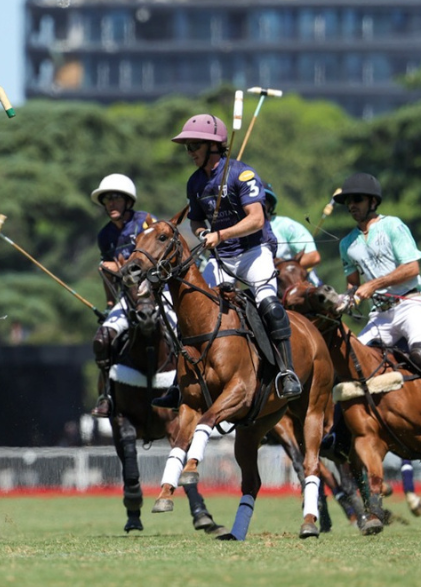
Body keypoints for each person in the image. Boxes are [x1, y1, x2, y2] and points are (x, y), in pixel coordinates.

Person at [154, 113, 301, 406]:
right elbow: (195, 221)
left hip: (253, 252)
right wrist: (203, 232)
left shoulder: (242, 174)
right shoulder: (195, 183)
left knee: (269, 305)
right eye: (188, 147)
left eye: (195, 145)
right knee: (189, 309)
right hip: (222, 258)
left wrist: (220, 235)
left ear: (214, 146)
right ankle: (178, 383)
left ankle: (286, 371)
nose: (190, 152)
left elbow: (257, 219)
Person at [332, 172, 421, 443]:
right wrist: (345, 299)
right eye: (348, 201)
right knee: (348, 364)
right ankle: (338, 435)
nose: (351, 205)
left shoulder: (393, 226)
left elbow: (412, 267)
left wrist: (374, 285)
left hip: (409, 304)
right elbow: (353, 285)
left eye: (357, 199)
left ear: (373, 201)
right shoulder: (346, 244)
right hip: (381, 315)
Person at [88, 173, 174, 419]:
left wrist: (120, 267)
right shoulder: (105, 236)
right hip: (129, 298)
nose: (111, 204)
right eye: (107, 200)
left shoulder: (145, 223)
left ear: (128, 201)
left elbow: (160, 255)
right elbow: (109, 271)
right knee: (102, 340)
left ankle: (187, 388)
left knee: (182, 335)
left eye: (116, 198)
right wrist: (109, 303)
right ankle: (107, 396)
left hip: (160, 293)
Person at [264, 184, 322, 286]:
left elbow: (313, 257)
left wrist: (283, 269)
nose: (257, 205)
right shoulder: (239, 232)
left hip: (303, 289)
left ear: (270, 205)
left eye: (263, 201)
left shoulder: (285, 226)